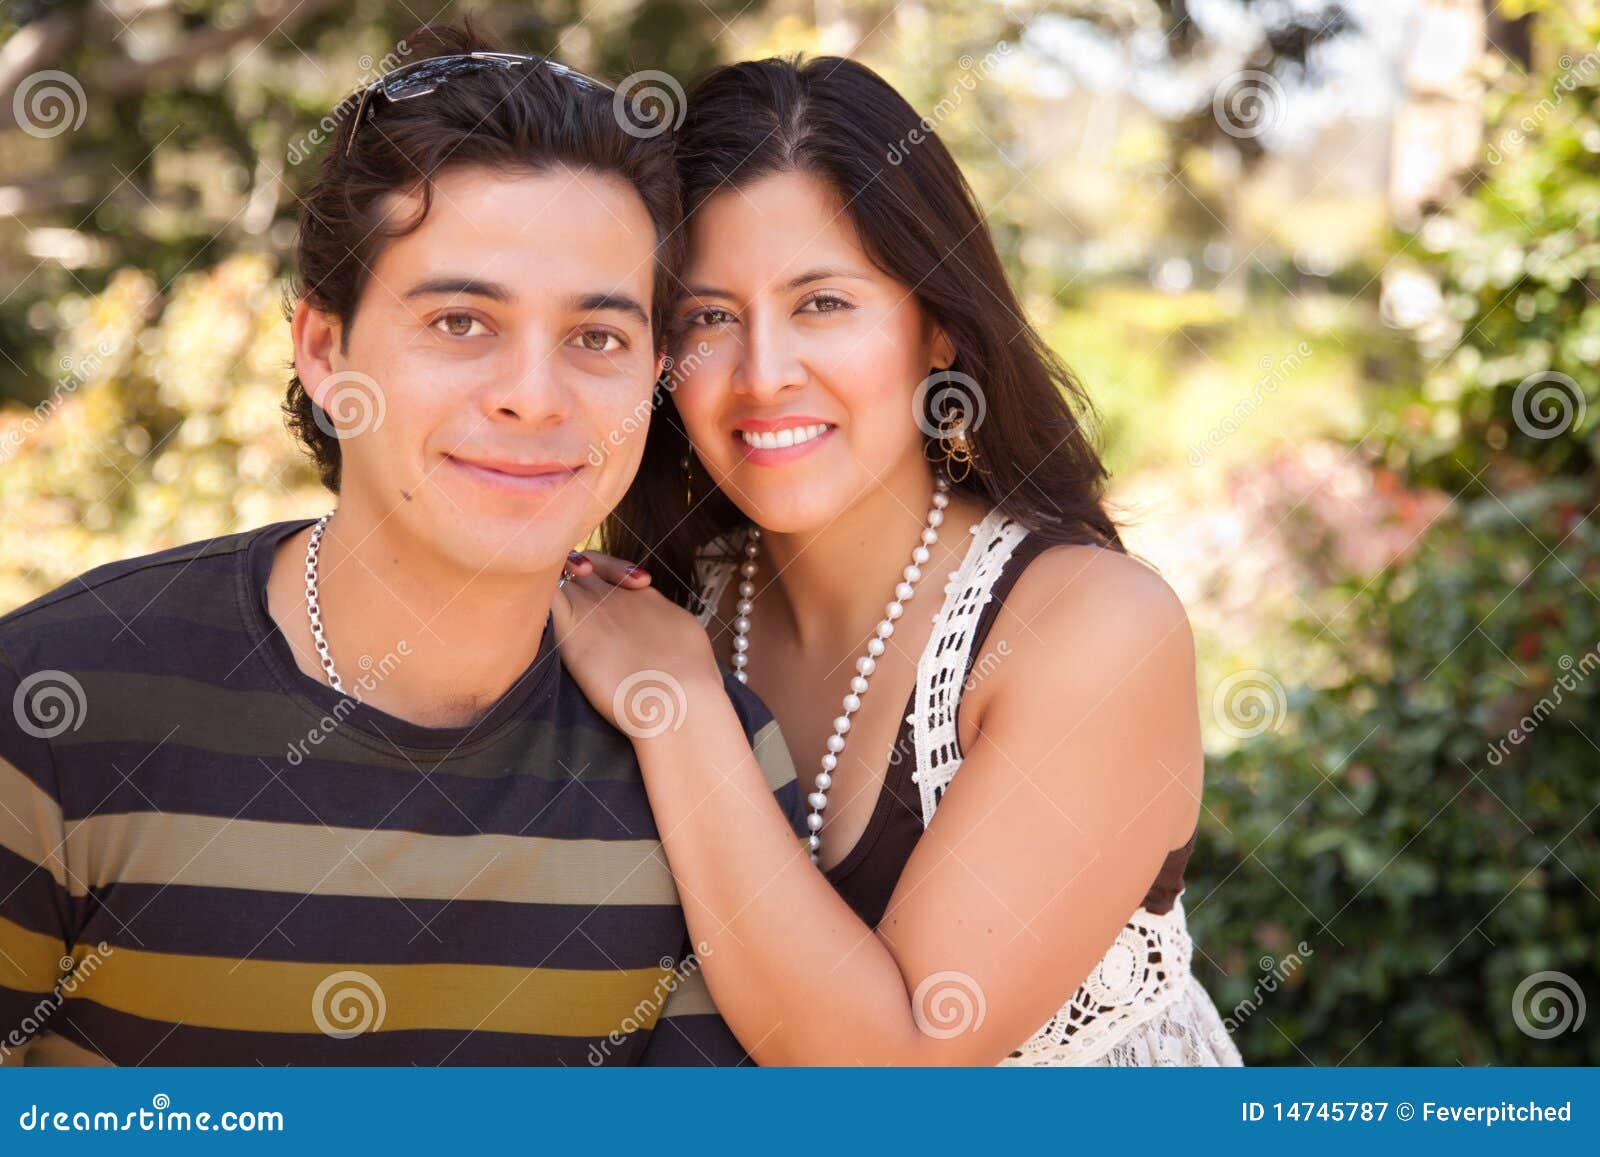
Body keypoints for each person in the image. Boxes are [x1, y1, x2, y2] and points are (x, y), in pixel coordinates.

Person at [0, 24, 804, 1066]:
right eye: (461, 321)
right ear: (326, 351)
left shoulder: (706, 763)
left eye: (596, 337)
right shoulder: (56, 705)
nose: (532, 394)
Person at [553, 54, 1243, 1065]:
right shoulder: (665, 601)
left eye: (822, 303)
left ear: (938, 331)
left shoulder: (1093, 630)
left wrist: (681, 704)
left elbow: (895, 1068)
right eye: (708, 317)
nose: (764, 373)